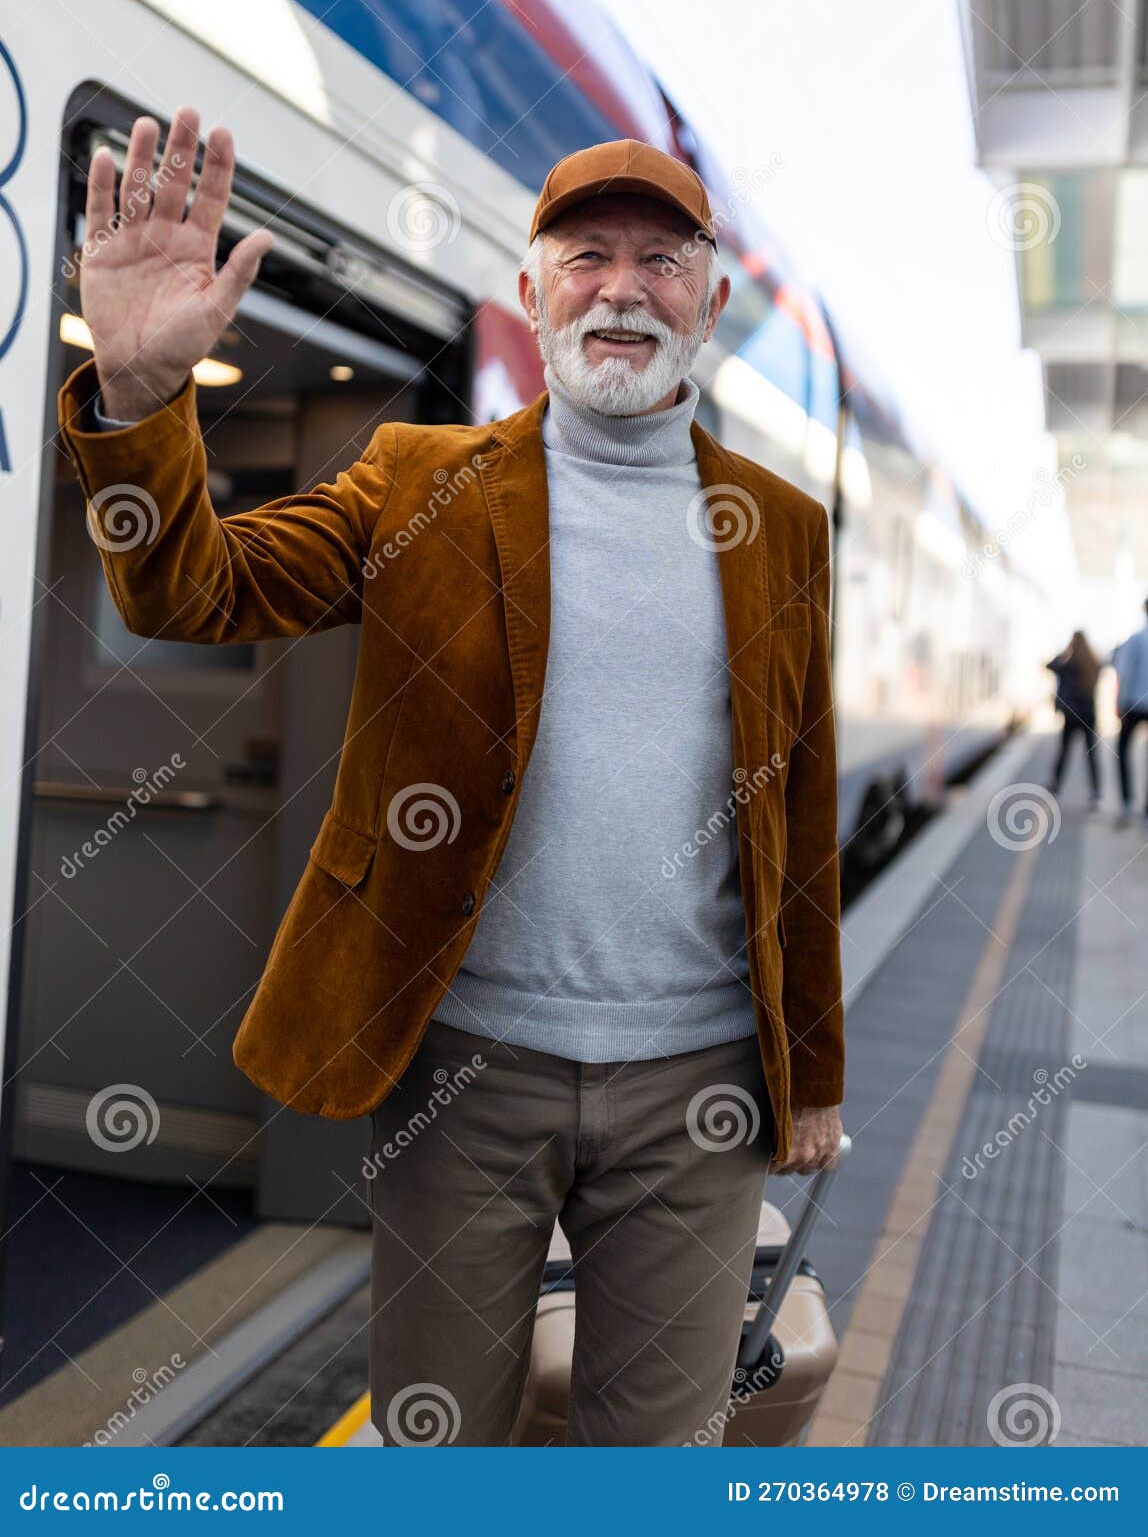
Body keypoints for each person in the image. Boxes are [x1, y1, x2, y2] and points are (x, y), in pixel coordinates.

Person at [57, 111, 845, 1447]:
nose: (620, 288)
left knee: (657, 1471)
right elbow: (194, 592)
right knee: (435, 1449)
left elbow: (801, 801)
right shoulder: (416, 482)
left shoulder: (780, 528)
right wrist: (140, 401)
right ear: (532, 294)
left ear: (709, 305)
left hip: (698, 1086)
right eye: (585, 255)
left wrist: (810, 1064)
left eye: (660, 261)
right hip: (467, 1071)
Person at [1045, 631, 1102, 807]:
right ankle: (1095, 791)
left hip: (1071, 715)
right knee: (1091, 754)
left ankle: (1056, 786)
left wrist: (1065, 651)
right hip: (1088, 714)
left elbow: (1050, 666)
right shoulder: (1094, 664)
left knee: (1064, 751)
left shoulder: (1068, 664)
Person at [1111, 598, 1148, 828]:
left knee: (1122, 751)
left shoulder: (1135, 640)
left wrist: (1119, 704)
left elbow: (1123, 674)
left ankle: (1127, 803)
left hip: (1134, 705)